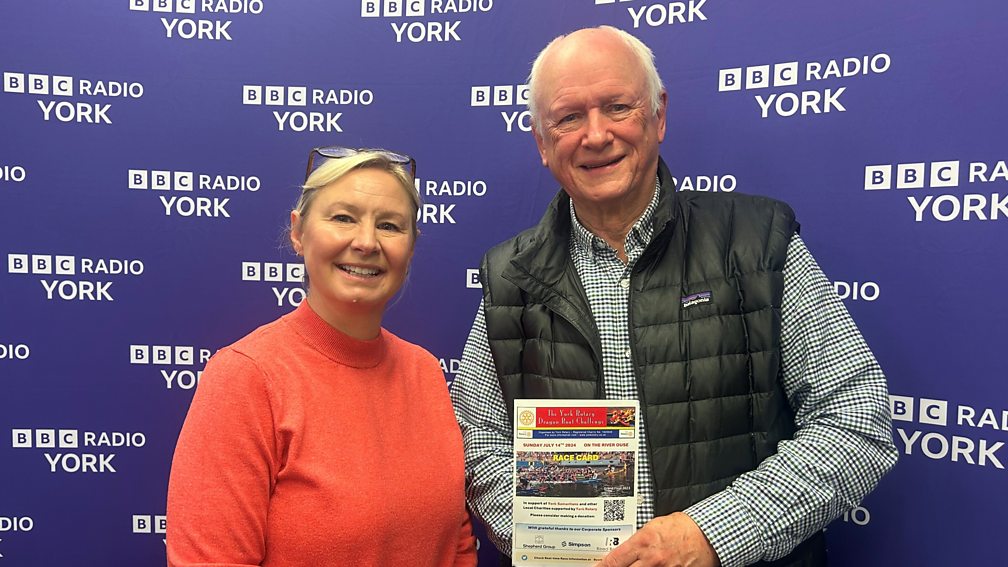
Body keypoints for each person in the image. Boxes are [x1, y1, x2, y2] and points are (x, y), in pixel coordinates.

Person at [450, 26, 898, 567]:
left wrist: (711, 534)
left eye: (618, 106)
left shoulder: (755, 242)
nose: (595, 135)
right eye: (568, 117)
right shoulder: (510, 278)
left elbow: (857, 418)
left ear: (658, 115)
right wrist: (557, 547)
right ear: (542, 144)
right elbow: (478, 443)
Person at [167, 147, 478, 567]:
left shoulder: (423, 371)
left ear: (410, 249)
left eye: (389, 225)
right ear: (299, 232)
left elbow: (454, 546)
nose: (366, 242)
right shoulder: (246, 377)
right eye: (343, 218)